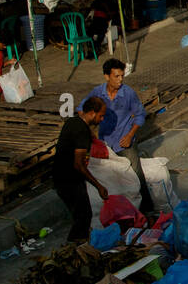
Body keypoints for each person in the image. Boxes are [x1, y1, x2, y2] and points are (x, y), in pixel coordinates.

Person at [83, 59, 152, 211]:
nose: (120, 80)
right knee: (112, 178)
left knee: (136, 175)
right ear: (107, 76)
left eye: (122, 76)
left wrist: (130, 135)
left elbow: (140, 115)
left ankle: (148, 210)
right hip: (106, 143)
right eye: (116, 76)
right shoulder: (97, 93)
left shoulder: (128, 93)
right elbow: (82, 109)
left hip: (125, 142)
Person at [55, 96, 109, 242]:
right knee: (83, 217)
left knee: (82, 216)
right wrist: (98, 186)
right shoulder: (81, 131)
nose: (102, 119)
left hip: (60, 178)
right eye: (101, 115)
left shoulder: (73, 122)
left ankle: (78, 245)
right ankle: (73, 248)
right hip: (70, 180)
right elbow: (78, 164)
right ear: (92, 113)